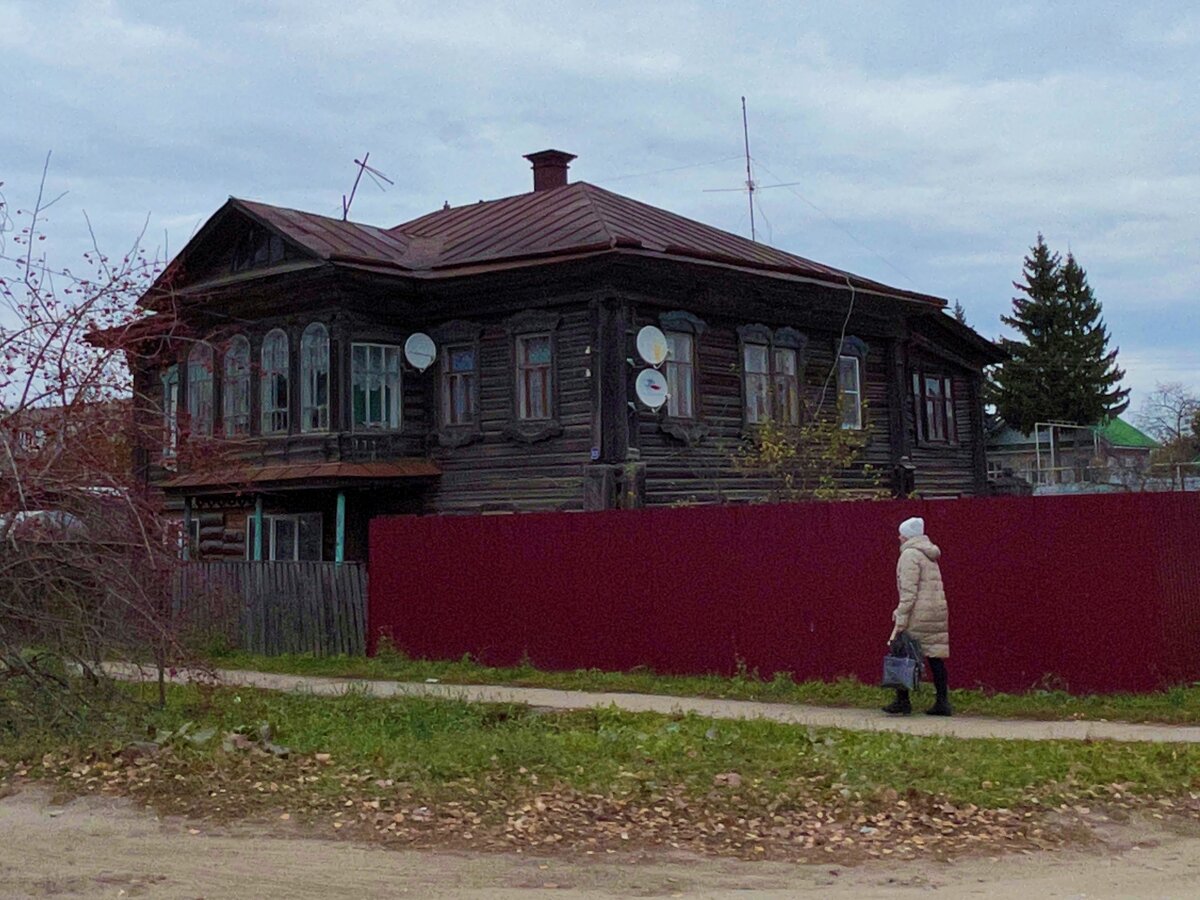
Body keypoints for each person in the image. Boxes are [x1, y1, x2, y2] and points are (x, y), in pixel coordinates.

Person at [883, 516, 952, 716]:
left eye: (901, 534)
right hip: (935, 611)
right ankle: (942, 702)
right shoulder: (928, 553)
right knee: (935, 656)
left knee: (901, 650)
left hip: (917, 613)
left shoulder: (909, 556)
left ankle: (902, 700)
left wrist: (901, 617)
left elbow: (909, 591)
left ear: (908, 537)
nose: (899, 537)